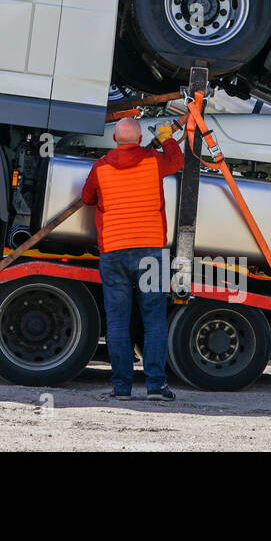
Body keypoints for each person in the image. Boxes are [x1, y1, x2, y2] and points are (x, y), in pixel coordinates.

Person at [81, 116, 184, 401]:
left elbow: (87, 197)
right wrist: (167, 138)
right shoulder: (154, 161)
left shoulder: (100, 168)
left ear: (114, 140)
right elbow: (177, 161)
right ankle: (156, 387)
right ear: (139, 140)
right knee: (154, 320)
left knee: (117, 322)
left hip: (113, 252)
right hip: (151, 252)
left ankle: (121, 388)